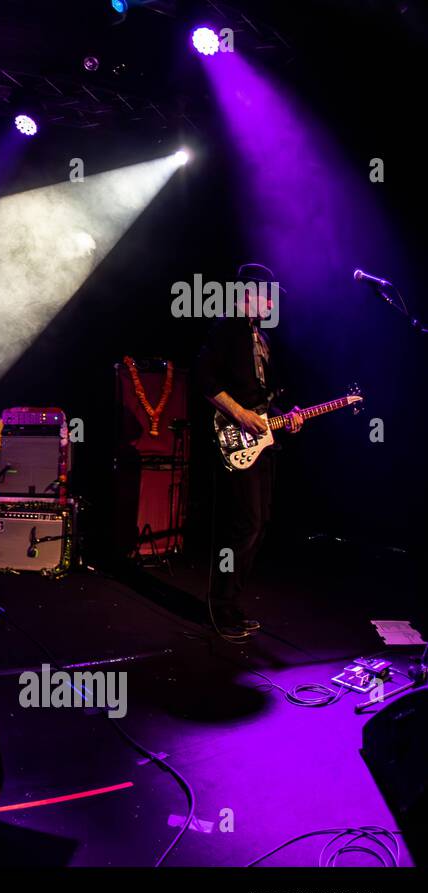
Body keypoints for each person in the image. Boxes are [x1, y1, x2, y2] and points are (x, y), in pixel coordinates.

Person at [193, 264, 303, 640]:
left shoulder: (262, 337)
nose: (272, 302)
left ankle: (232, 603)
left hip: (261, 441)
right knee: (245, 524)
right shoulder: (228, 326)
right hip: (234, 436)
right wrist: (240, 415)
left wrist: (284, 418)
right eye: (266, 294)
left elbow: (262, 396)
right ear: (246, 295)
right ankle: (220, 606)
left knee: (260, 522)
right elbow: (204, 379)